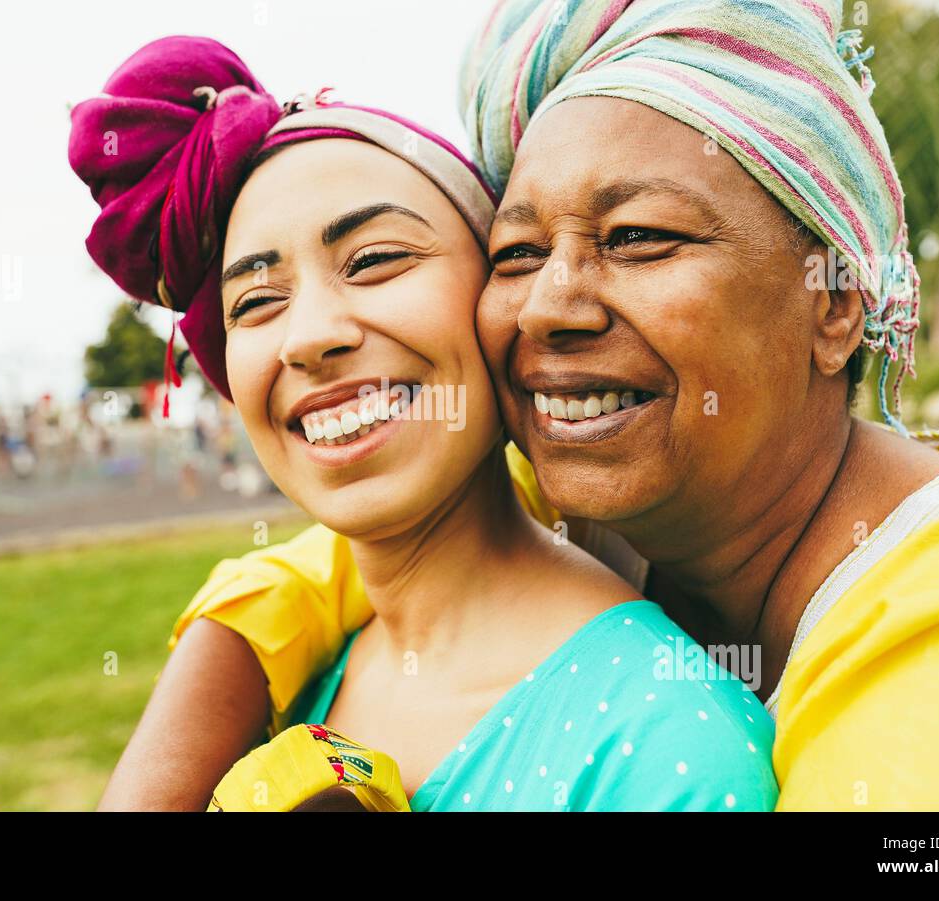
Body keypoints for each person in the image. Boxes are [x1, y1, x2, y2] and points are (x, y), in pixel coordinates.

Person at [69, 36, 779, 811]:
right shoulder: (299, 670)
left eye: (374, 260)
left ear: (501, 298)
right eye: (256, 302)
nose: (309, 335)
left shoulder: (667, 744)